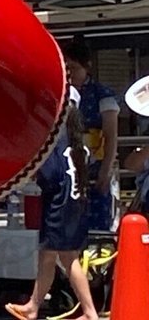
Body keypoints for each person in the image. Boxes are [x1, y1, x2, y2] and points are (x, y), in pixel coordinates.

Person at [5, 98, 100, 320]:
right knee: (48, 256)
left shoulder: (54, 146)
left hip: (58, 206)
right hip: (76, 205)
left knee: (67, 258)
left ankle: (89, 312)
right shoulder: (81, 147)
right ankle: (33, 305)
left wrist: (34, 172)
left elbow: (49, 177)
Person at [63, 41, 120, 232]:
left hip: (95, 166)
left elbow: (111, 135)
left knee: (97, 228)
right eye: (66, 69)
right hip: (67, 167)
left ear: (87, 66)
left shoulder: (102, 94)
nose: (70, 74)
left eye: (74, 68)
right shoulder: (61, 94)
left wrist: (106, 170)